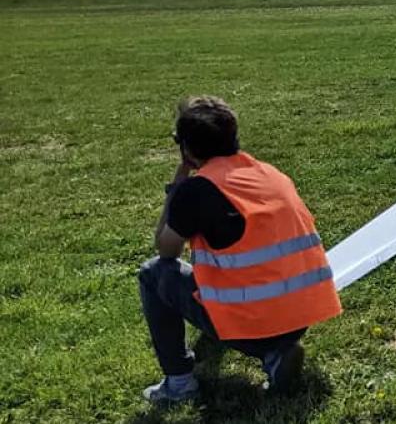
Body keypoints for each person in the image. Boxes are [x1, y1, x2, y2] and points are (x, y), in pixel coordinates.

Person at [138, 96, 342, 405]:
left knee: (153, 273)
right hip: (301, 314)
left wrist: (177, 187)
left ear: (187, 150)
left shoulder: (198, 190)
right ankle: (277, 350)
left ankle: (180, 382)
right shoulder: (269, 173)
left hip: (256, 320)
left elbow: (166, 250)